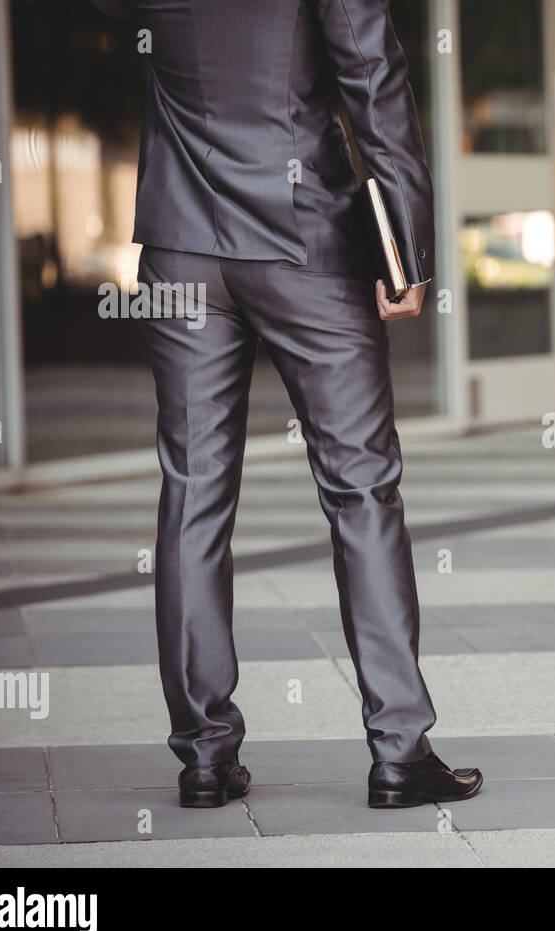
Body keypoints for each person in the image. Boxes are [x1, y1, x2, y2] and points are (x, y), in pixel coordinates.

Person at [91, 0, 481, 810]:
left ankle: (204, 756)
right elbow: (372, 73)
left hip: (183, 241)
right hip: (306, 240)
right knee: (361, 487)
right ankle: (400, 752)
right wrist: (404, 244)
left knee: (193, 493)